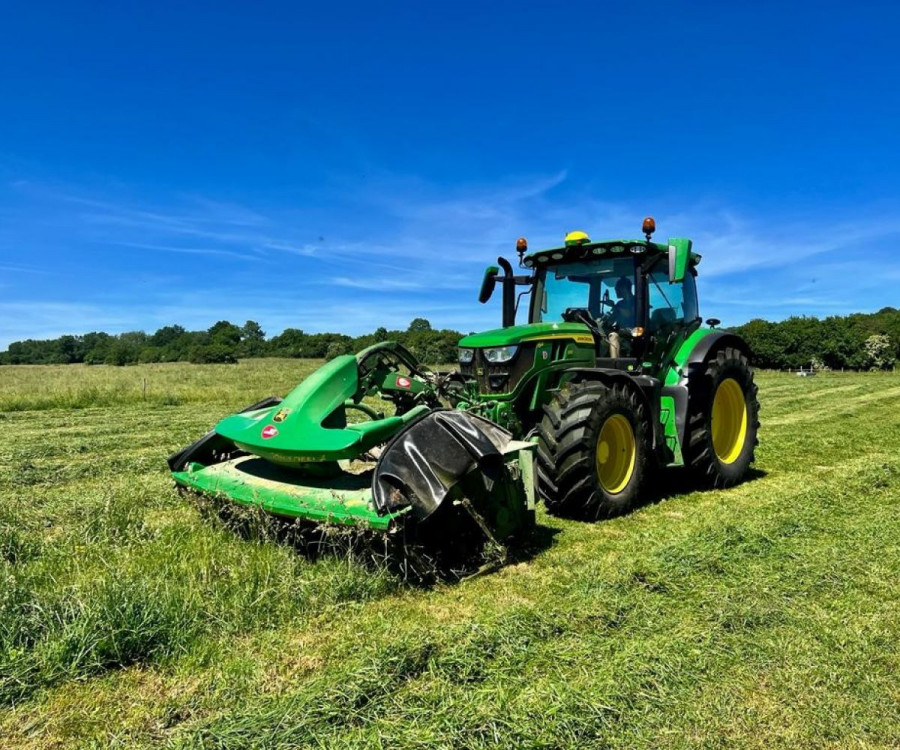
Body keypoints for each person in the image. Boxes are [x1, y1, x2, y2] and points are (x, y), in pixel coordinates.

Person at [608, 276, 635, 358]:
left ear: (623, 288)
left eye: (616, 289)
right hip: (621, 334)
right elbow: (611, 320)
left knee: (613, 336)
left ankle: (615, 366)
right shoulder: (619, 304)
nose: (616, 291)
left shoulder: (637, 300)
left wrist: (614, 306)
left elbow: (628, 314)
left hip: (633, 334)